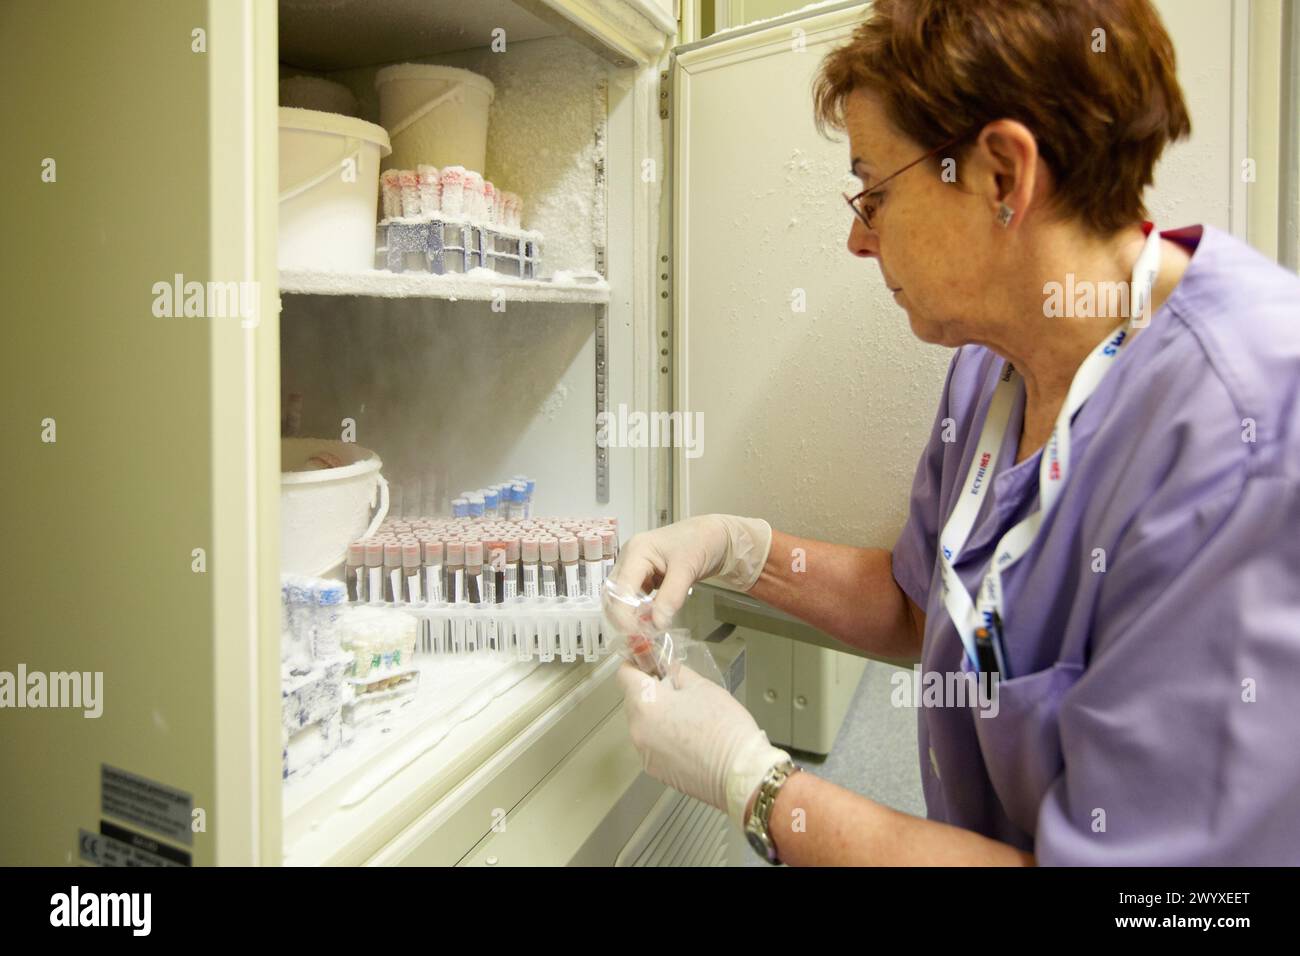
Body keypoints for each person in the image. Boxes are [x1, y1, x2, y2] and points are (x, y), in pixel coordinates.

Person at [609, 0, 1300, 865]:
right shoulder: (993, 363)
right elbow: (923, 603)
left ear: (1002, 176)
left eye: (875, 192)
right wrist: (732, 549)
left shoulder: (1253, 427)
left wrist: (761, 787)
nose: (858, 240)